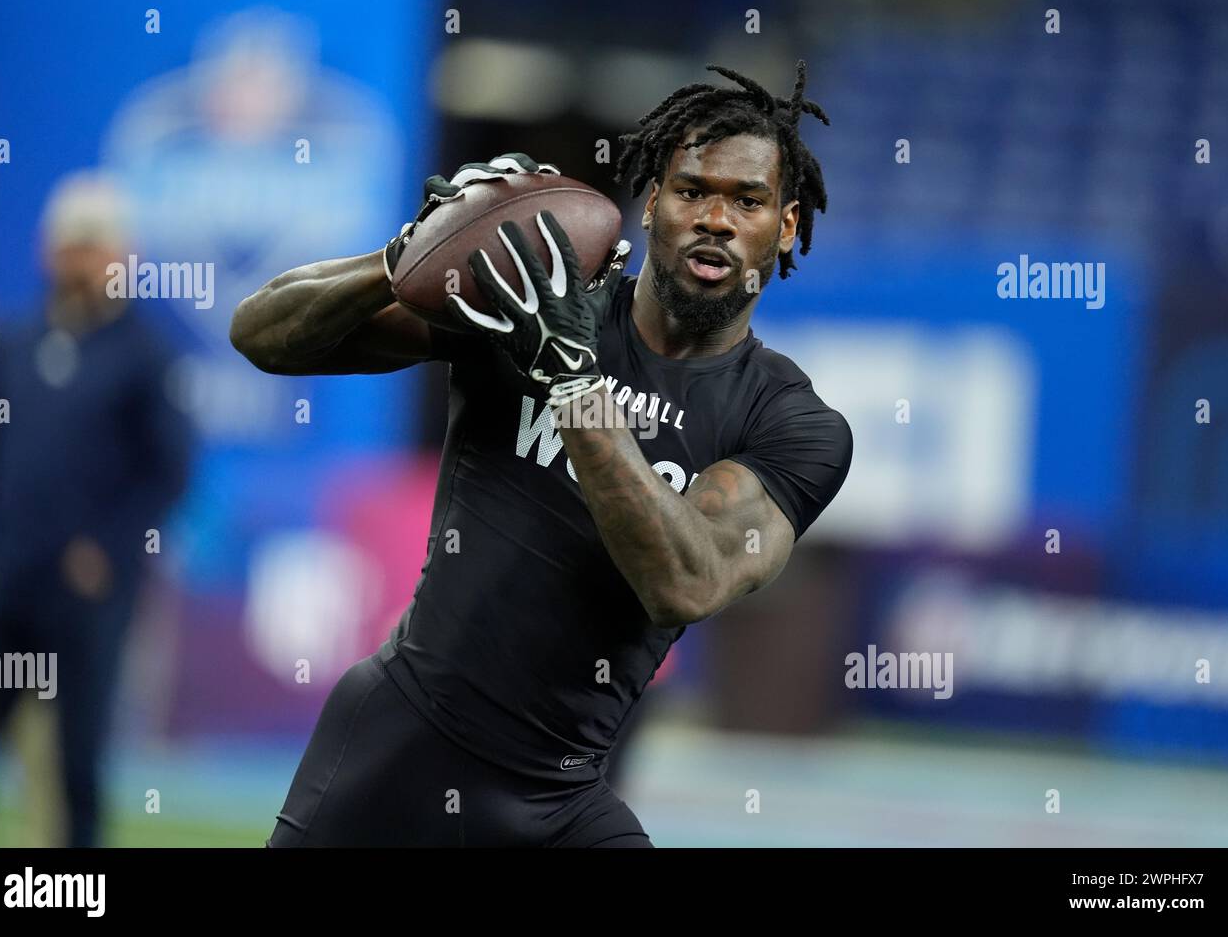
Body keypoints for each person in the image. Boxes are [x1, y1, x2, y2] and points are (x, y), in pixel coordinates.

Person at [232, 61, 853, 847]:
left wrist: (574, 384)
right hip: (398, 743)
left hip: (558, 801)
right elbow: (261, 335)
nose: (717, 219)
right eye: (693, 191)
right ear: (652, 202)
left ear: (786, 226)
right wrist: (406, 256)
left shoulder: (791, 423)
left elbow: (687, 581)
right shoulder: (525, 298)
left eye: (748, 200)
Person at [0, 172, 194, 847]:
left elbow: (169, 471)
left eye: (95, 244)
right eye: (71, 243)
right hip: (6, 587)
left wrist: (107, 550)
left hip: (87, 598)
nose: (81, 258)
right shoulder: (16, 341)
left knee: (76, 765)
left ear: (124, 255)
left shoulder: (145, 356)